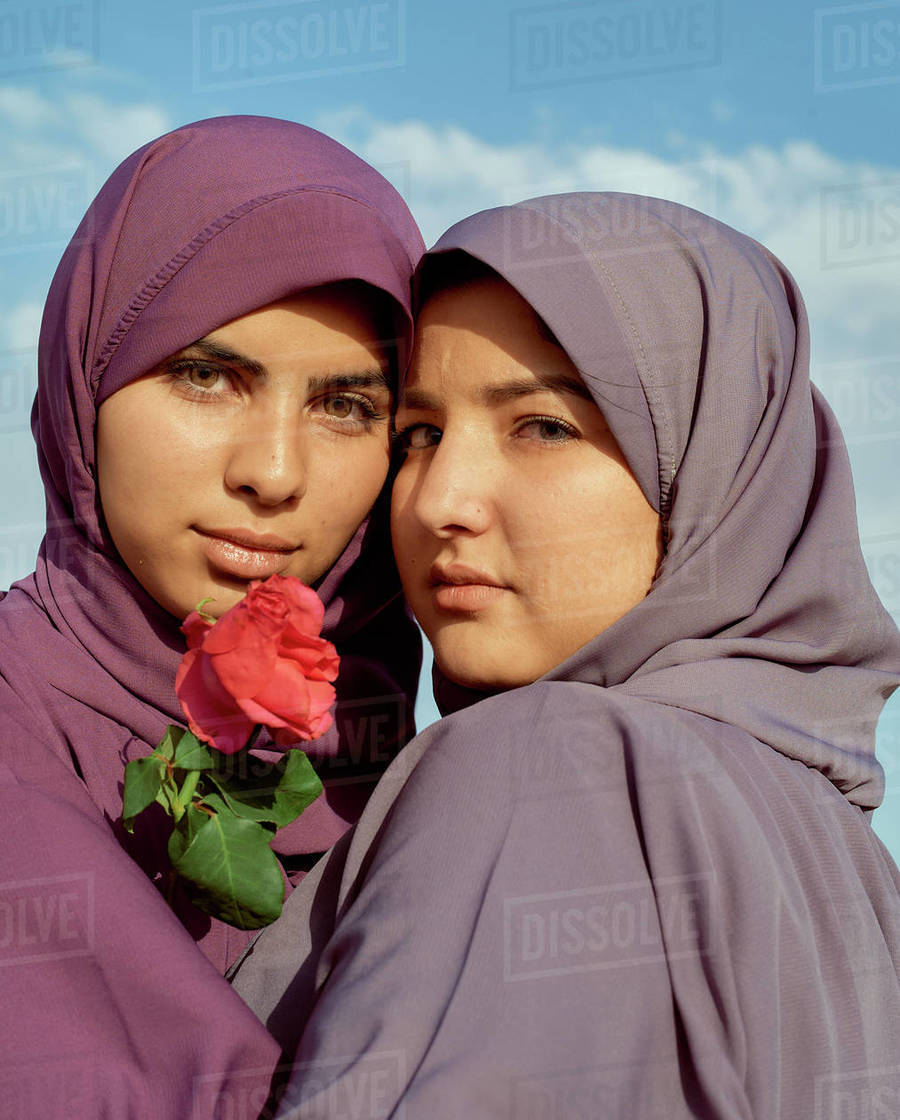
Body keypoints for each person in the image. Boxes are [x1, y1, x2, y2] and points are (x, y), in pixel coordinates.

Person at [231, 193, 900, 1119]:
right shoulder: (844, 861)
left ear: (708, 470)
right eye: (420, 434)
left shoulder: (546, 758)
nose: (438, 503)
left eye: (543, 427)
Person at [0, 115, 424, 1117]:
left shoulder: (414, 781)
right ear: (85, 380)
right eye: (206, 376)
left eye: (347, 407)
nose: (272, 473)